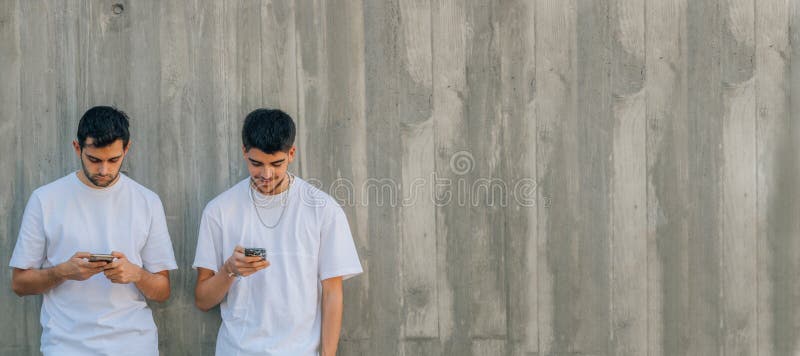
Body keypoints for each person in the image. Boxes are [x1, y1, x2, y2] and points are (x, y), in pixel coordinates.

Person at [9, 106, 178, 356]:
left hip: (134, 345)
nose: (104, 170)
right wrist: (62, 272)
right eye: (94, 159)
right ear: (77, 148)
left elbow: (162, 290)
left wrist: (136, 274)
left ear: (127, 149)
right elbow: (19, 284)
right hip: (66, 346)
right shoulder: (45, 199)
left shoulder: (147, 201)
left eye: (114, 160)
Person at [193, 108, 363, 356]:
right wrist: (229, 269)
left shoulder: (323, 210)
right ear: (244, 152)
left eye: (276, 163)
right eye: (256, 163)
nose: (266, 174)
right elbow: (202, 300)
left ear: (291, 153)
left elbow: (332, 293)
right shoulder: (219, 211)